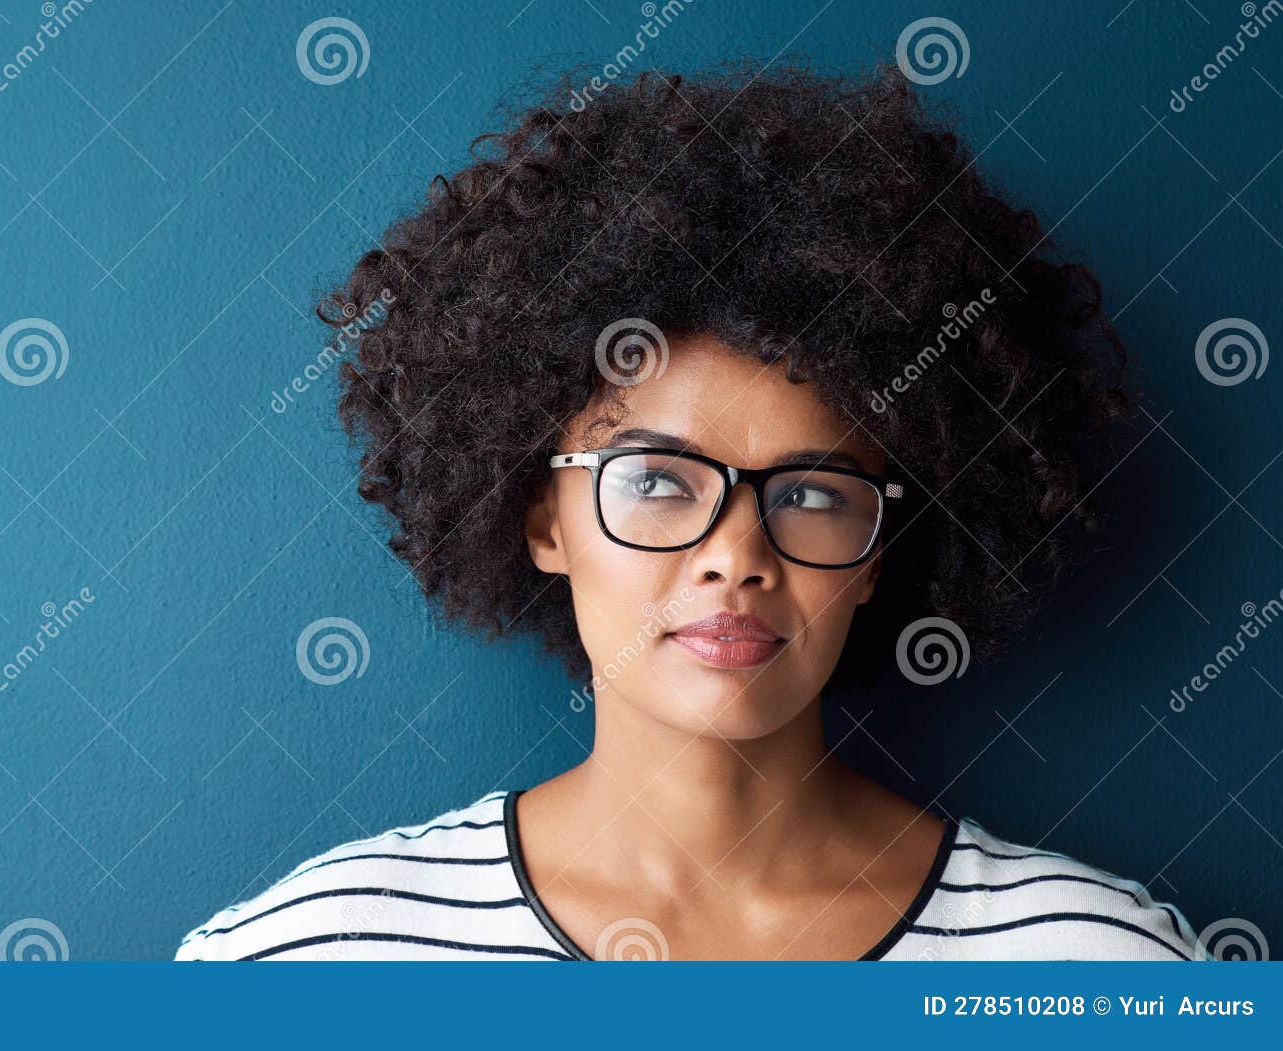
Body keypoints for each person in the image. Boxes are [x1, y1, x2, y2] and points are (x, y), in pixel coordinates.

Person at [176, 58, 1210, 961]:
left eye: (811, 493)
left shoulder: (1093, 966)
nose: (735, 556)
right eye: (659, 480)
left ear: (877, 552)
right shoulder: (308, 959)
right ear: (542, 519)